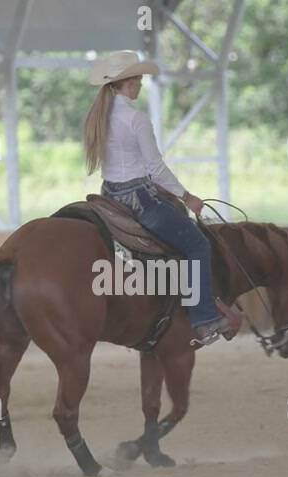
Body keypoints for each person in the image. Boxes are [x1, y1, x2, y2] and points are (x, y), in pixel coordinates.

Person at [83, 50, 238, 347]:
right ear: (128, 82)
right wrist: (187, 196)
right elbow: (155, 169)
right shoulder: (136, 119)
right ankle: (203, 320)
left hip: (109, 196)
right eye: (138, 79)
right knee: (197, 244)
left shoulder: (99, 115)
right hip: (138, 199)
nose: (141, 84)